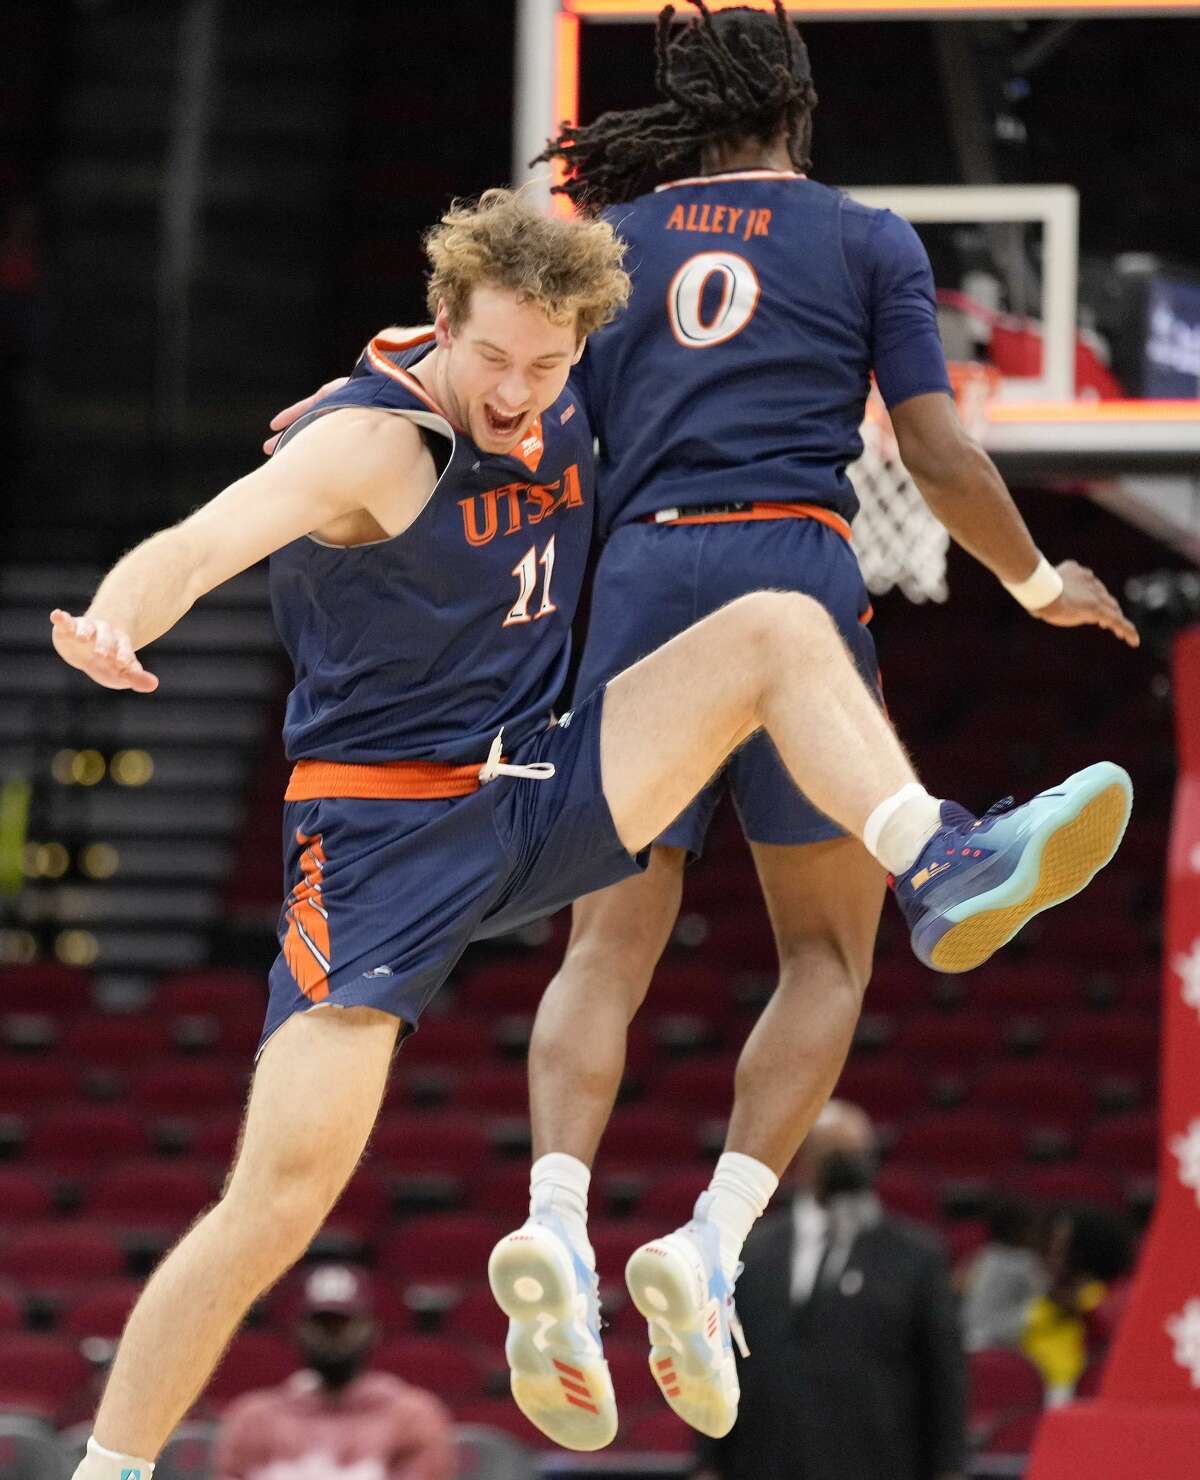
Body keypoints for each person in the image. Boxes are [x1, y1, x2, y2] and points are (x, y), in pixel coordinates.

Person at [52, 183, 1129, 1480]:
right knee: (274, 1203)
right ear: (442, 325)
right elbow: (195, 541)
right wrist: (119, 617)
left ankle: (941, 858)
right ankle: (108, 1470)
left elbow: (699, 342)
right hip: (384, 842)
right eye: (493, 360)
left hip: (543, 786)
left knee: (782, 627)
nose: (516, 393)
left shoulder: (575, 389)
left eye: (545, 365)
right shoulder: (367, 445)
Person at [692, 1100, 967, 1480]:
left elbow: (943, 1372)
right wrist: (708, 1461)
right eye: (833, 1153)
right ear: (801, 1159)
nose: (847, 1165)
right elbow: (719, 1361)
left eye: (857, 1153)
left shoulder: (915, 1256)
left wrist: (950, 1469)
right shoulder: (749, 1252)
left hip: (879, 1460)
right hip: (765, 1460)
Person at [212, 1264, 454, 1480]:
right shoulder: (253, 1419)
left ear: (371, 1329)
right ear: (298, 1330)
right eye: (321, 1324)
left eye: (342, 1325)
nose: (331, 1338)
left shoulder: (411, 1416)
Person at [960, 1193, 1047, 1352]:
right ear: (1017, 1230)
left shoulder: (983, 1257)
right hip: (999, 1343)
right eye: (1032, 1228)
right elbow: (1047, 1300)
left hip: (970, 1341)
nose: (1037, 1235)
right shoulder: (1024, 1262)